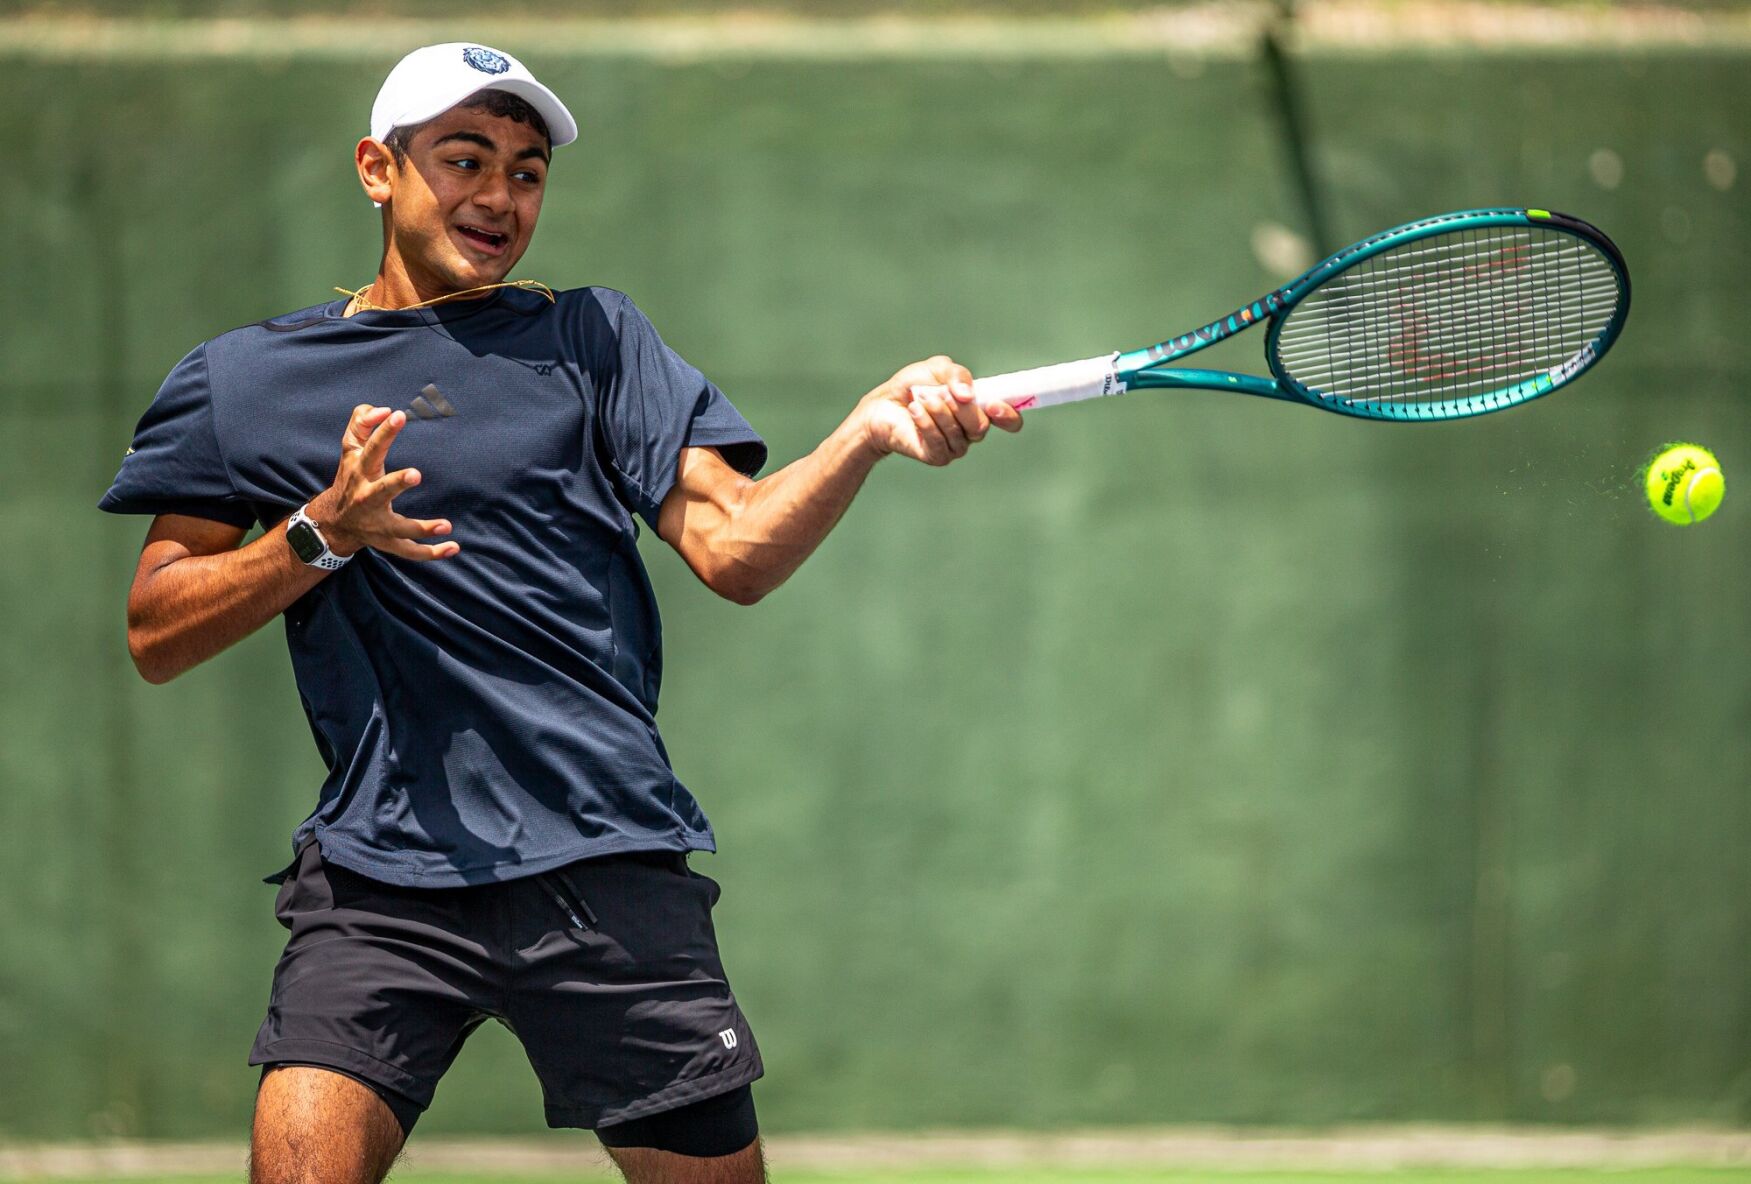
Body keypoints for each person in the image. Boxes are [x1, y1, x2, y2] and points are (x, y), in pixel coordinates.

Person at [99, 41, 1020, 1184]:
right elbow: (154, 629)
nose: (498, 196)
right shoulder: (244, 380)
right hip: (382, 879)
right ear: (377, 169)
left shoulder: (592, 341)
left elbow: (734, 548)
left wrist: (862, 434)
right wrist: (318, 534)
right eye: (464, 158)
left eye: (527, 171)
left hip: (607, 862)